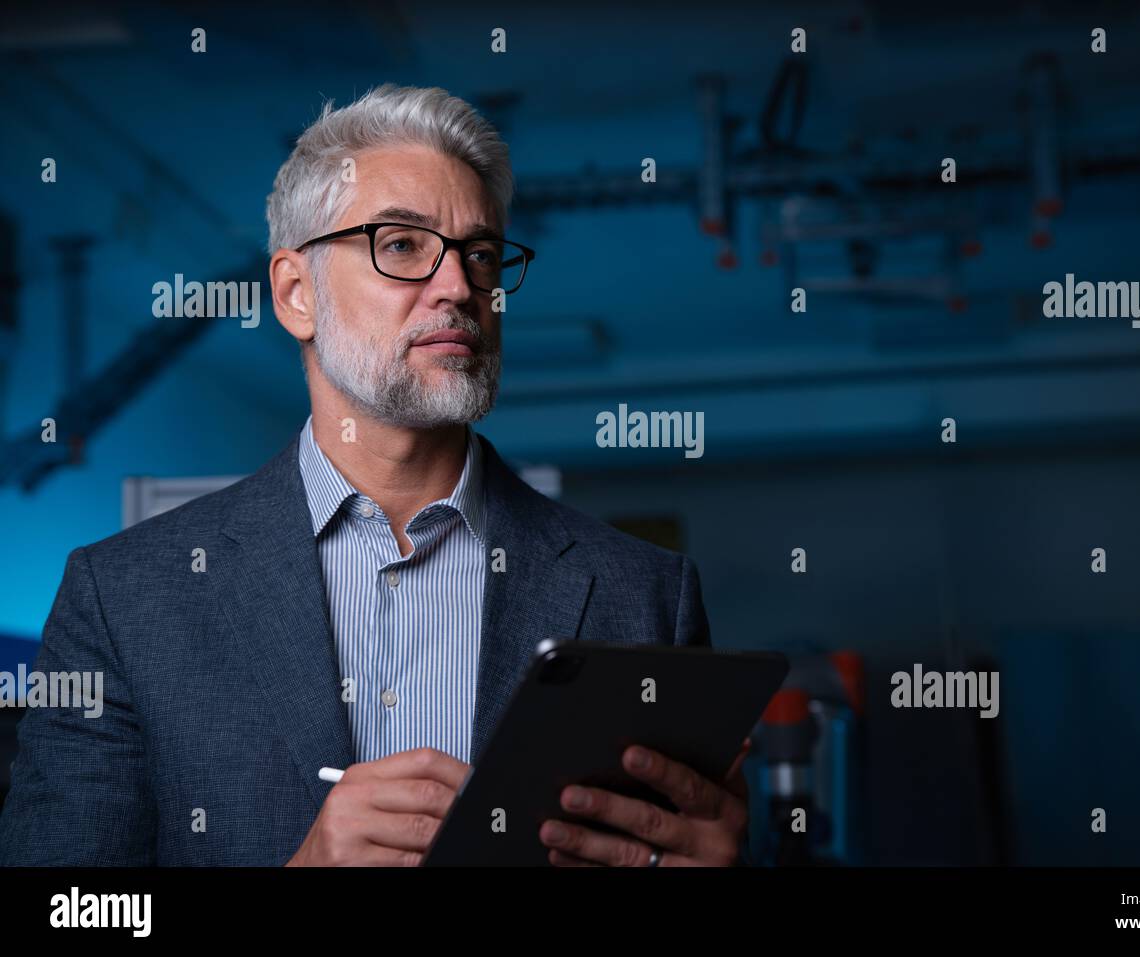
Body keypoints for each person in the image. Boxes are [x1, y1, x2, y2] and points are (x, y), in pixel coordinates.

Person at [0, 85, 749, 867]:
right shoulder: (121, 601)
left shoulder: (646, 596)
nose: (460, 286)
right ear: (296, 294)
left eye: (481, 253)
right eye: (401, 245)